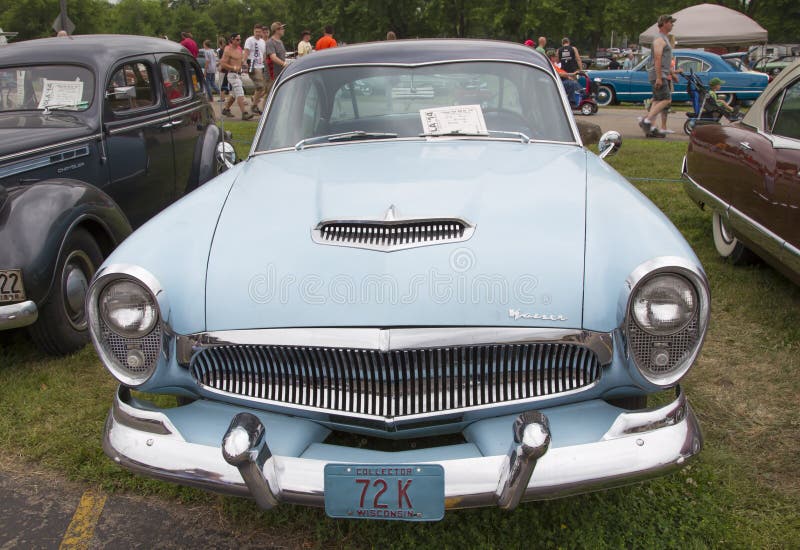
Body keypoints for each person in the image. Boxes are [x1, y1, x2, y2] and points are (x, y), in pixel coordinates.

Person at [639, 14, 676, 138]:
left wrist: (671, 73)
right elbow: (658, 58)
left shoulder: (664, 38)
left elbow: (665, 59)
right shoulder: (659, 39)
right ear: (664, 23)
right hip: (658, 74)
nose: (672, 25)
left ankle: (650, 126)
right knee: (666, 99)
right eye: (671, 22)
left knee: (657, 100)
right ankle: (647, 120)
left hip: (662, 73)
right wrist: (659, 77)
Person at [219, 33, 253, 120]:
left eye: (240, 39)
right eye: (237, 39)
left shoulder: (239, 49)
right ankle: (244, 113)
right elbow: (222, 64)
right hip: (232, 74)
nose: (239, 41)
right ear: (232, 40)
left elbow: (241, 61)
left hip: (238, 74)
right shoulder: (228, 50)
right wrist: (233, 67)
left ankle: (226, 109)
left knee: (234, 95)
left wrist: (245, 66)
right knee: (240, 93)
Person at [244, 24, 267, 114]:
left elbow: (263, 54)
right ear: (253, 31)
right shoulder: (249, 40)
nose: (257, 33)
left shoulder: (262, 42)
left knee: (263, 87)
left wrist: (264, 63)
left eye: (259, 32)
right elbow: (246, 52)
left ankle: (255, 101)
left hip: (261, 65)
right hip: (252, 65)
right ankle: (254, 106)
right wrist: (244, 63)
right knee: (260, 86)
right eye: (256, 31)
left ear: (262, 32)